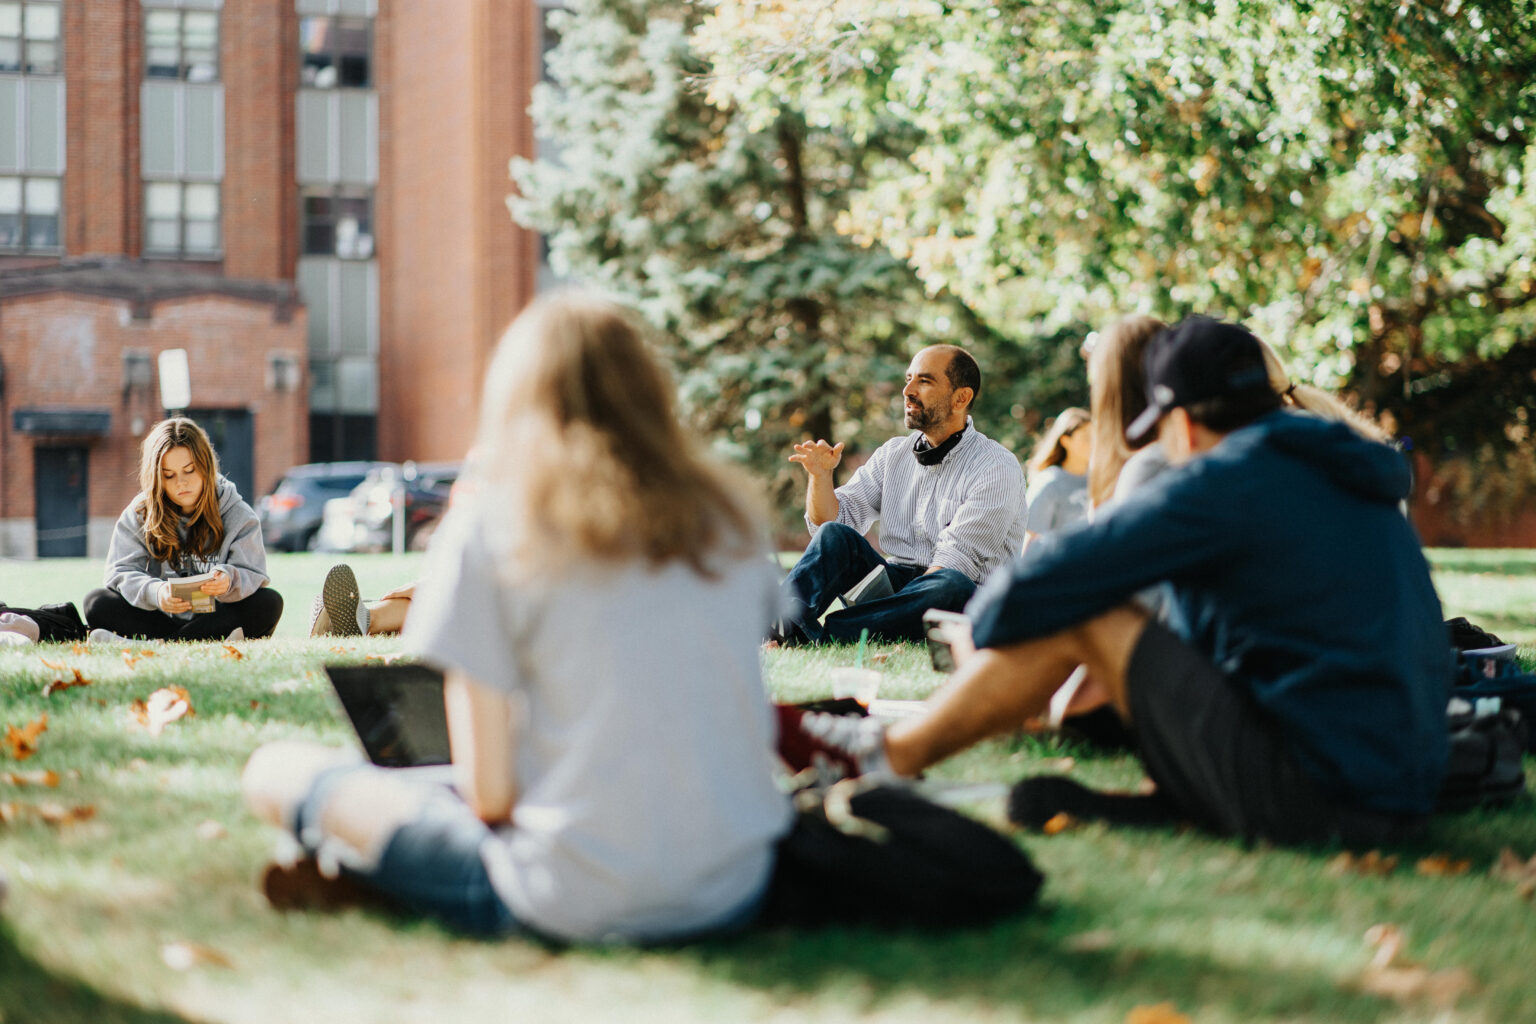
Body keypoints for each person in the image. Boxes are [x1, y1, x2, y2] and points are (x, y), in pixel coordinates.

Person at [243, 291, 792, 943]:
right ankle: (362, 875)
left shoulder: (494, 527)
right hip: (733, 888)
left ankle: (361, 873)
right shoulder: (729, 520)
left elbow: (491, 798)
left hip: (565, 896)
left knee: (279, 769)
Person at [805, 316, 1450, 846]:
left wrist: (987, 637)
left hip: (1317, 797)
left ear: (1184, 423)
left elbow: (1028, 594)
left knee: (1090, 613)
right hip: (1401, 787)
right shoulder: (1337, 468)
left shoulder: (1223, 481)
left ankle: (889, 753)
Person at [772, 345, 1026, 644]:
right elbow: (830, 523)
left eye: (924, 381)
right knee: (834, 536)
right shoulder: (894, 453)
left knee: (949, 585)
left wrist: (895, 606)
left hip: (959, 597)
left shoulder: (996, 467)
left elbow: (957, 560)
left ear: (961, 398)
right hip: (899, 593)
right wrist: (820, 476)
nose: (907, 390)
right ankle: (777, 628)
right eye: (909, 379)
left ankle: (828, 634)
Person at [84, 418, 282, 642]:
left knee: (269, 602)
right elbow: (119, 572)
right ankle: (200, 640)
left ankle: (160, 645)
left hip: (214, 616)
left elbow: (254, 573)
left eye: (189, 470)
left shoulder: (238, 514)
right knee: (96, 603)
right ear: (157, 478)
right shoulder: (141, 511)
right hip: (159, 616)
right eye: (169, 475)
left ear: (205, 466)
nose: (181, 483)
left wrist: (228, 581)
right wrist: (156, 593)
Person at [1023, 407, 1092, 546]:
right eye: (1086, 437)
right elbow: (1030, 546)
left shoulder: (1099, 478)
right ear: (1066, 441)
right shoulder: (1049, 483)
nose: (1093, 443)